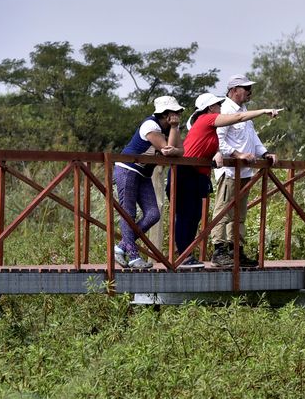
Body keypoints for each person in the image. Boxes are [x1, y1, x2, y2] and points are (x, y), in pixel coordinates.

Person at [176, 92, 280, 268]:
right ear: (210, 109)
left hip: (198, 173)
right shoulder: (207, 119)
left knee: (194, 216)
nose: (220, 107)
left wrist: (217, 152)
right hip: (187, 172)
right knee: (189, 215)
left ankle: (194, 255)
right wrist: (263, 111)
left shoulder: (208, 125)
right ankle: (192, 256)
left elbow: (209, 143)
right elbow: (239, 117)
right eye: (217, 105)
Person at [210, 74, 279, 267]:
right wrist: (237, 154)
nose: (249, 91)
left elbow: (252, 137)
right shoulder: (224, 110)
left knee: (240, 214)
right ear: (233, 90)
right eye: (245, 88)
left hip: (244, 172)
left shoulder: (244, 110)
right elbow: (218, 140)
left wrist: (265, 153)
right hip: (230, 171)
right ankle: (219, 251)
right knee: (223, 212)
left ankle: (236, 252)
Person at [113, 96, 183, 268]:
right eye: (176, 112)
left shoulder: (173, 128)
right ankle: (134, 257)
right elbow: (168, 151)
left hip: (143, 174)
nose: (178, 115)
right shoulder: (150, 125)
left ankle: (121, 247)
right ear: (166, 114)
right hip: (127, 169)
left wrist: (174, 130)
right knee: (128, 213)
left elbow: (179, 151)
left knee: (153, 214)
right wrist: (173, 135)